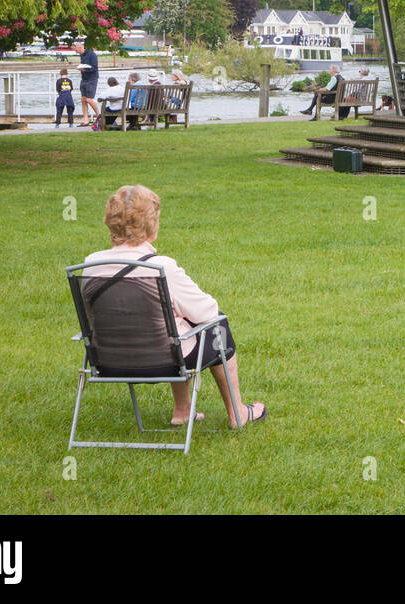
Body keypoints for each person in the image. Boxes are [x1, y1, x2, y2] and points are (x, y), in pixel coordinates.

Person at [82, 185, 266, 429]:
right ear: (151, 226)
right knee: (216, 325)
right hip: (165, 359)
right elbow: (208, 311)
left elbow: (93, 317)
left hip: (108, 361)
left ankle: (183, 410)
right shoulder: (161, 268)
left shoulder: (90, 265)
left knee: (176, 322)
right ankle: (238, 413)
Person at [73, 42, 101, 125]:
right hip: (84, 78)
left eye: (76, 50)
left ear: (80, 47)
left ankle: (99, 116)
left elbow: (95, 68)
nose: (75, 51)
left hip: (92, 78)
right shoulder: (82, 55)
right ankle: (86, 120)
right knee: (83, 99)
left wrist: (84, 70)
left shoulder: (92, 55)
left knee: (89, 99)